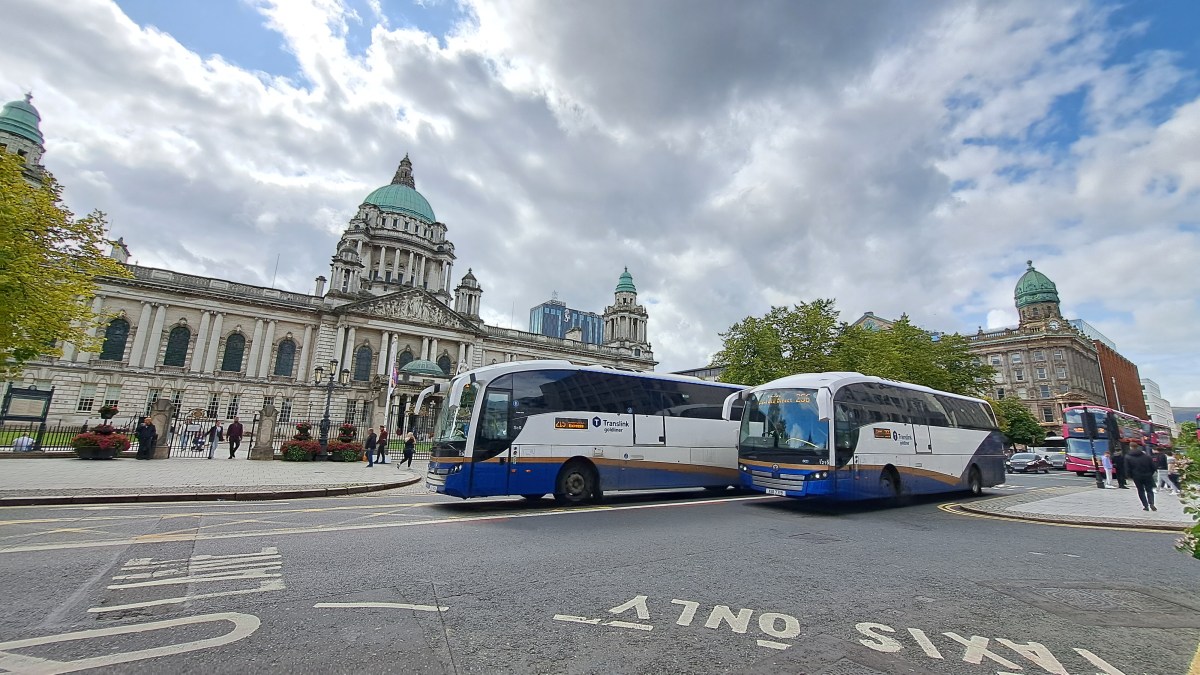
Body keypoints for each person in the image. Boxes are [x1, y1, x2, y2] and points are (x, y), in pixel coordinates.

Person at [1124, 445, 1157, 511]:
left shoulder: (1128, 457)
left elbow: (1127, 468)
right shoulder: (1147, 456)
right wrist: (1150, 473)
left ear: (1130, 448)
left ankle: (1145, 506)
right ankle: (1152, 503)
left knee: (1140, 491)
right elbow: (1153, 467)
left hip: (1136, 476)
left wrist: (1130, 476)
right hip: (1147, 476)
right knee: (1149, 490)